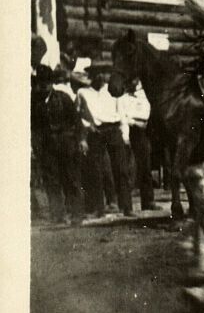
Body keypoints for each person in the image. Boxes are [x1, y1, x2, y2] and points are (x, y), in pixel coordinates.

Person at [32, 66, 86, 224]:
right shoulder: (33, 102)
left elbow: (77, 121)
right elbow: (33, 127)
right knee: (51, 180)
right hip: (47, 146)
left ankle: (76, 214)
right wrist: (35, 146)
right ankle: (58, 215)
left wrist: (82, 140)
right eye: (41, 83)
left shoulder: (63, 98)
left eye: (47, 82)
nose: (43, 86)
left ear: (52, 83)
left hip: (66, 145)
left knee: (71, 179)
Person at [77, 70, 134, 217]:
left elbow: (122, 115)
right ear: (90, 76)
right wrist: (86, 131)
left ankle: (126, 207)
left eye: (102, 73)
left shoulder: (113, 90)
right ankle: (98, 208)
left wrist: (125, 135)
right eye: (96, 73)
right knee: (95, 170)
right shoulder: (82, 92)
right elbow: (79, 114)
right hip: (96, 132)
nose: (100, 76)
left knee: (121, 168)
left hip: (113, 129)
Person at [120, 80, 158, 210]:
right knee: (130, 167)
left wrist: (135, 119)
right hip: (130, 132)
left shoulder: (144, 96)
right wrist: (135, 121)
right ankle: (126, 203)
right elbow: (124, 117)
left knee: (145, 166)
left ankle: (148, 201)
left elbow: (146, 114)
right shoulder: (123, 98)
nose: (133, 83)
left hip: (143, 132)